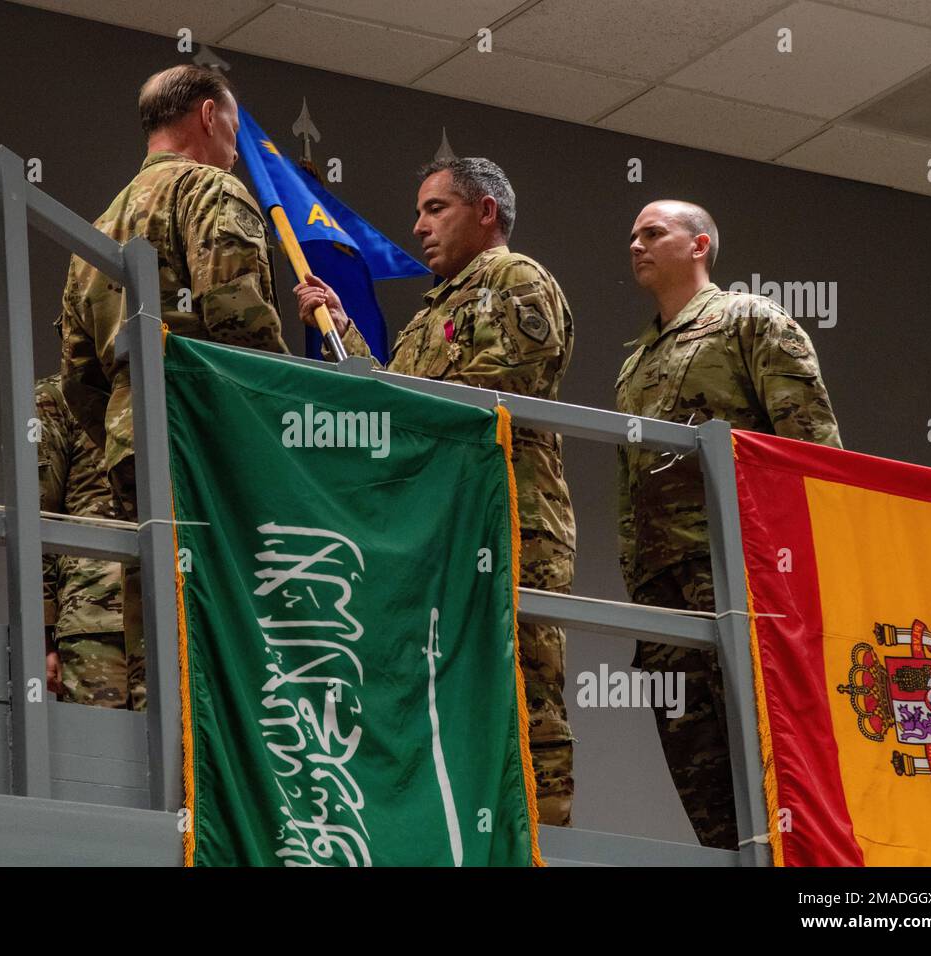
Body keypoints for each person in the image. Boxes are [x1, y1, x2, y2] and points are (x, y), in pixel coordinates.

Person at [295, 157, 577, 826]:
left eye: (436, 209)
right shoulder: (432, 312)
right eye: (419, 211)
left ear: (486, 213)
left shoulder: (514, 277)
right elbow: (400, 404)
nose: (418, 226)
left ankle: (545, 826)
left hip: (507, 518)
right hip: (442, 524)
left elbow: (496, 390)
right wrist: (342, 328)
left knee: (522, 680)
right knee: (447, 683)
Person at [57, 65, 289, 709]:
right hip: (212, 443)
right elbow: (241, 330)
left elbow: (80, 378)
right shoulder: (210, 191)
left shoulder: (95, 230)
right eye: (234, 129)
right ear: (209, 116)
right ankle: (211, 775)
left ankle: (169, 769)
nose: (236, 149)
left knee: (158, 629)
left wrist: (129, 418)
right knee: (225, 633)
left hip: (136, 448)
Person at [616, 199, 842, 849]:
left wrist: (794, 577)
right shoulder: (635, 363)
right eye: (632, 236)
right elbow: (629, 486)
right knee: (705, 784)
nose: (636, 244)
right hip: (663, 587)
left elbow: (815, 452)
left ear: (700, 244)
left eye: (653, 232)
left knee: (776, 763)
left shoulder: (750, 320)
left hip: (742, 574)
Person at [37, 370, 132, 708]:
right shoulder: (59, 396)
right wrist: (42, 633)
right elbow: (38, 516)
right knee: (100, 752)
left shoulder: (172, 388)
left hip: (177, 608)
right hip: (94, 615)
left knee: (183, 755)